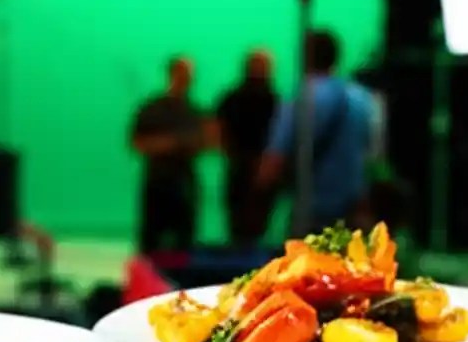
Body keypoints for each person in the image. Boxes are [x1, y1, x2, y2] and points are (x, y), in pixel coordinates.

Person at [256, 30, 375, 236]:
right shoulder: (361, 99)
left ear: (304, 57)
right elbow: (371, 153)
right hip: (352, 207)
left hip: (312, 210)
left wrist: (256, 194)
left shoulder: (301, 98)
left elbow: (275, 159)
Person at [128, 56, 209, 254]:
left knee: (184, 245)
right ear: (171, 74)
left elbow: (208, 143)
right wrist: (169, 144)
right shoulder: (152, 110)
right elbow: (137, 142)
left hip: (184, 185)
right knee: (151, 244)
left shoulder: (195, 112)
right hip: (158, 184)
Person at [214, 49, 278, 247]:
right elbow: (218, 134)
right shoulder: (276, 102)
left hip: (258, 173)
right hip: (242, 171)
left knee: (256, 230)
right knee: (241, 230)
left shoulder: (275, 101)